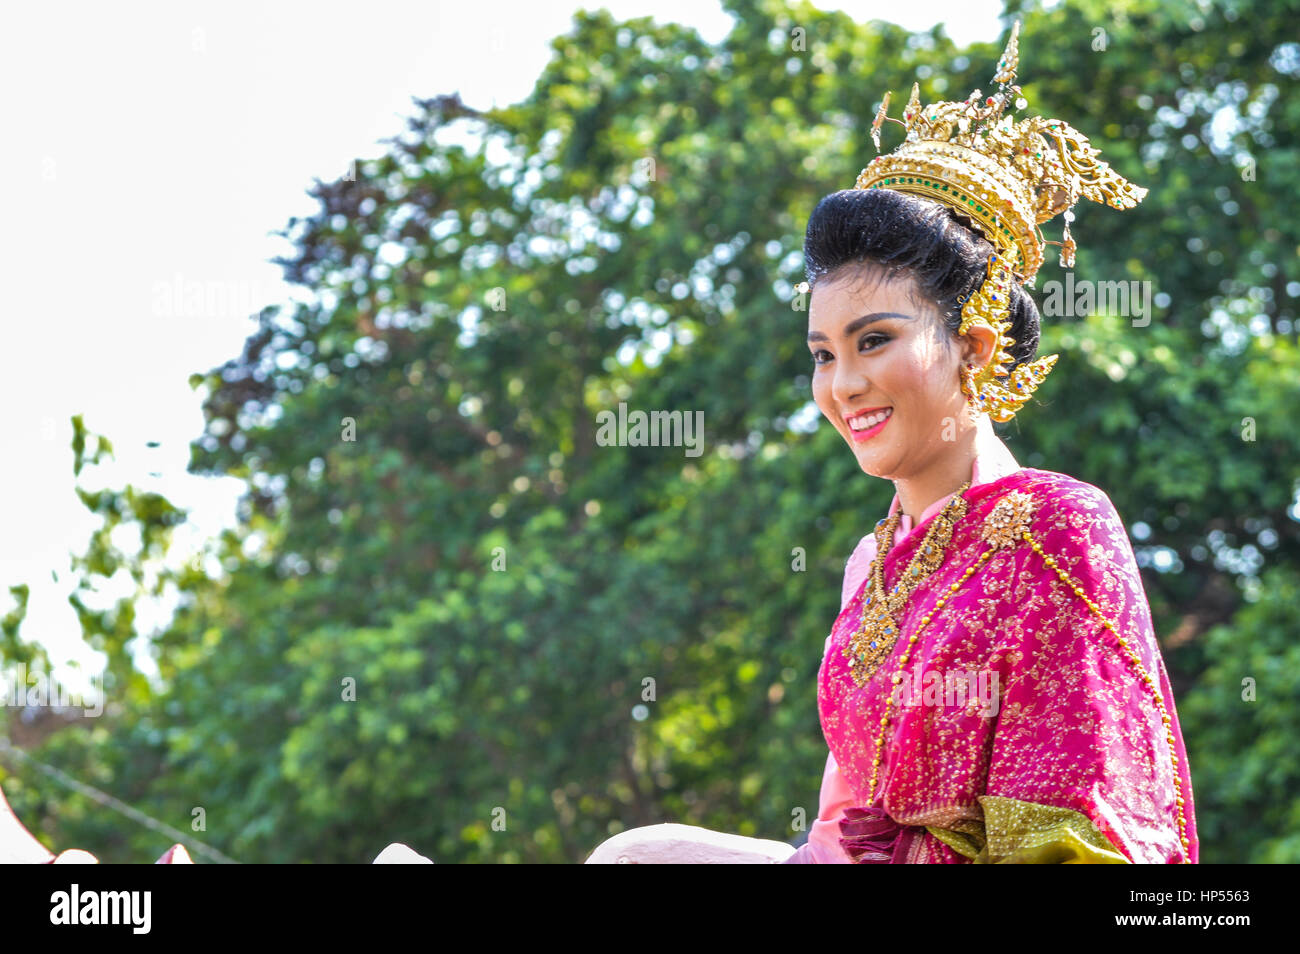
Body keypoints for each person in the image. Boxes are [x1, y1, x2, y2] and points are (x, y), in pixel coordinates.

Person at [588, 21, 1197, 864]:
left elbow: (1088, 831)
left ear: (974, 348)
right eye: (823, 356)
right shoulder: (868, 567)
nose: (843, 386)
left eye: (874, 341)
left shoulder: (1058, 524)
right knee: (639, 854)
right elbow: (833, 839)